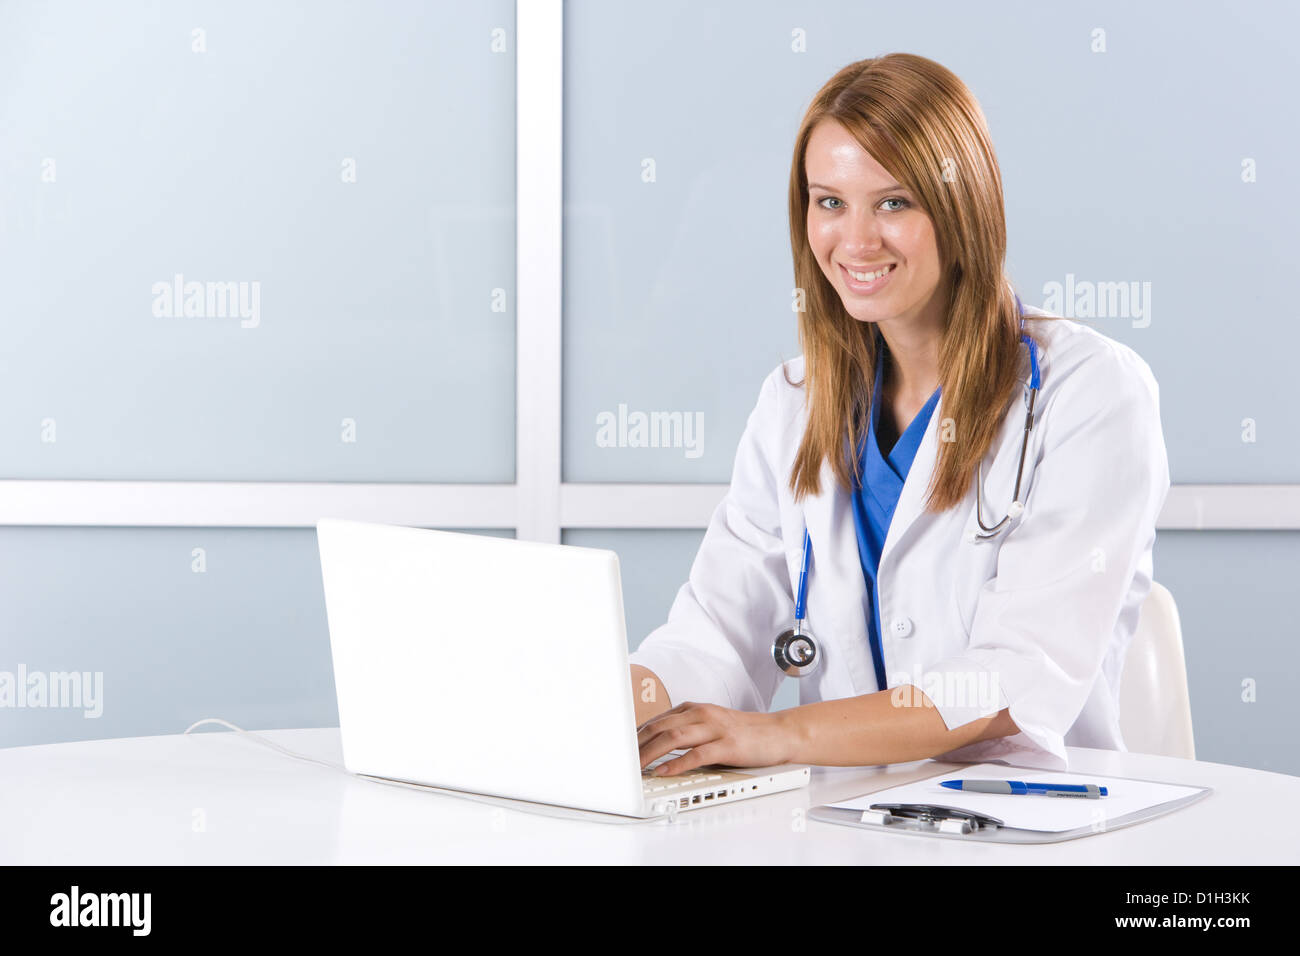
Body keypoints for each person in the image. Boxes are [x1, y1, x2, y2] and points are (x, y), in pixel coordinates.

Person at [629, 53, 1170, 775]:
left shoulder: (1091, 394)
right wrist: (604, 708)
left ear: (962, 206)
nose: (855, 242)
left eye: (894, 202)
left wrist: (778, 736)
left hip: (1019, 824)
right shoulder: (796, 404)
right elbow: (717, 636)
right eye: (829, 202)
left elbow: (1011, 678)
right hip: (839, 826)